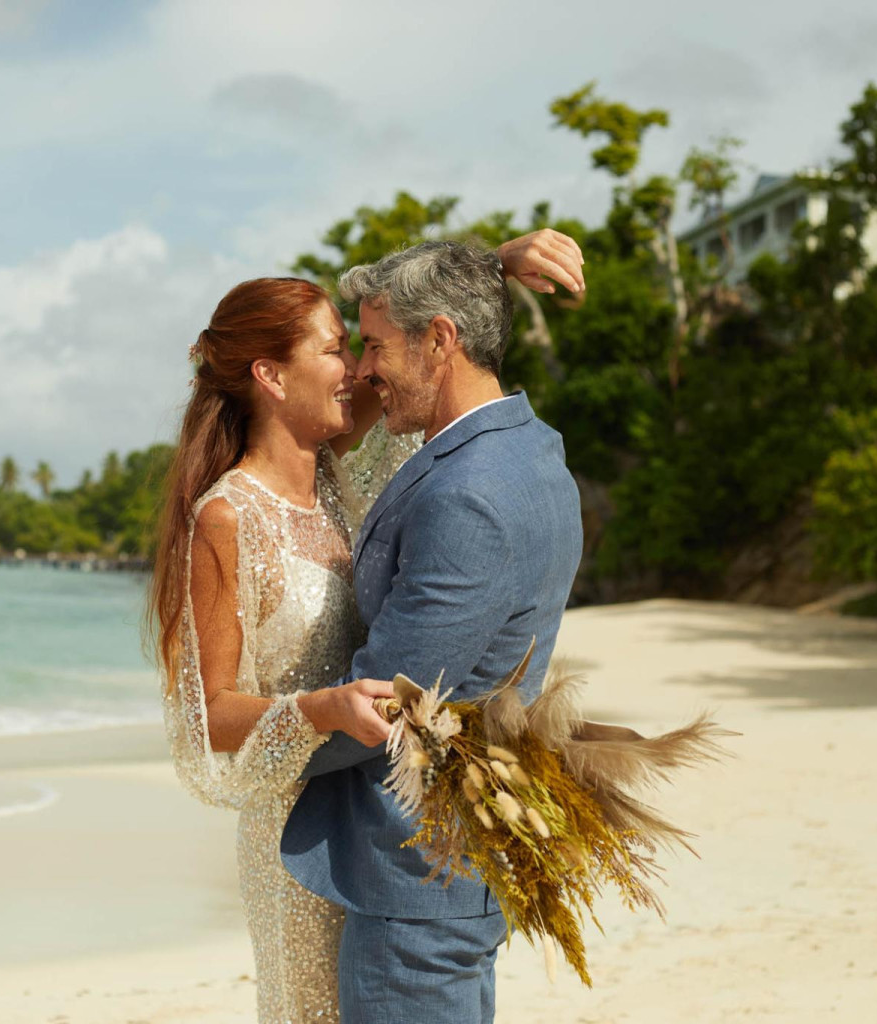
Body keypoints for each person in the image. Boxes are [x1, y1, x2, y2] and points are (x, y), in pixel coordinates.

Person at [148, 230, 584, 1023]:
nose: (356, 368)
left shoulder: (347, 481)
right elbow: (207, 714)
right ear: (270, 377)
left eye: (360, 346)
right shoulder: (226, 516)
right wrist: (318, 709)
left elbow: (442, 361)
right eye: (335, 347)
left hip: (379, 823)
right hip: (302, 827)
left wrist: (490, 268)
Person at [280, 240, 583, 1023]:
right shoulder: (533, 452)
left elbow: (389, 702)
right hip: (454, 869)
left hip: (415, 874)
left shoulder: (467, 496)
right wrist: (491, 258)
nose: (363, 371)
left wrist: (261, 747)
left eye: (375, 345)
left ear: (441, 340)